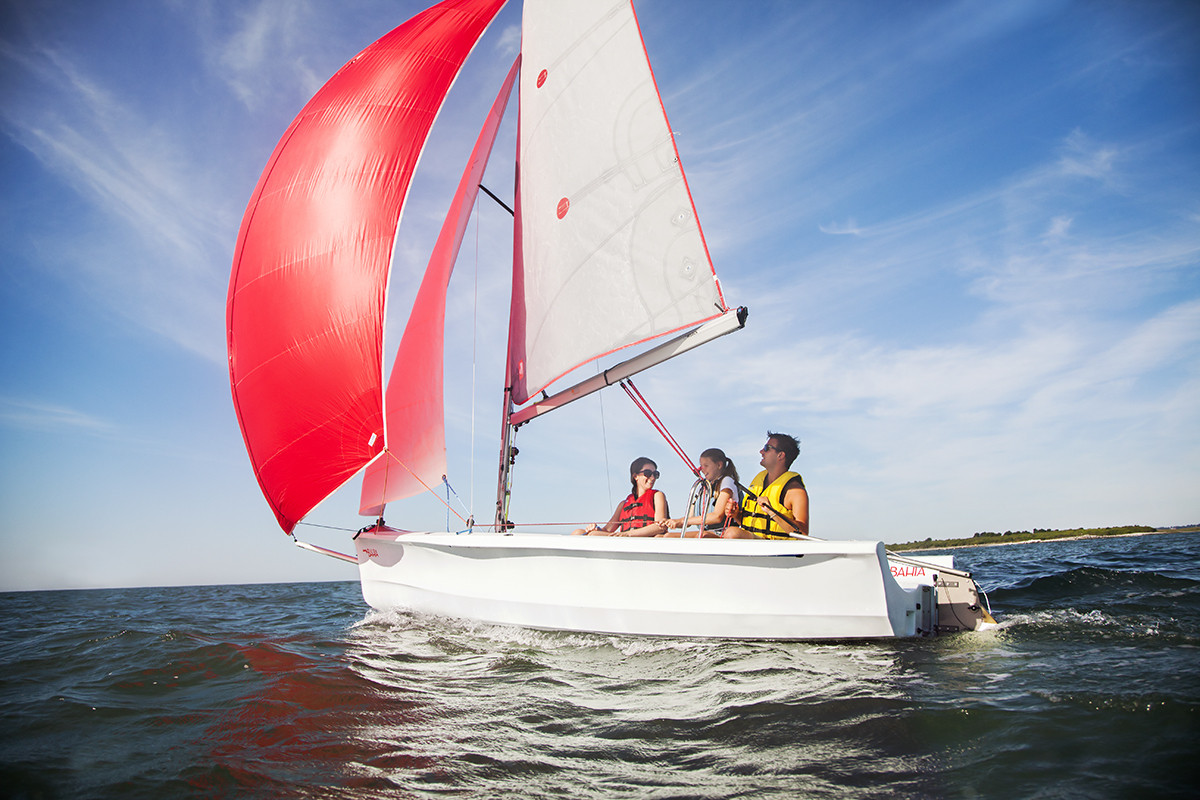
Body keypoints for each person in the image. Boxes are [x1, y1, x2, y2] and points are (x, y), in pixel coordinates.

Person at [723, 432, 809, 539]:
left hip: (776, 550)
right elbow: (748, 524)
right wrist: (736, 515)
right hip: (754, 544)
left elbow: (803, 533)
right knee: (700, 535)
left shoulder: (795, 491)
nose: (761, 451)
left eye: (767, 448)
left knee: (732, 533)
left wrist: (772, 512)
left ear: (780, 455)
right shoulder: (759, 481)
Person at [573, 457, 669, 537]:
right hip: (624, 540)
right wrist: (595, 528)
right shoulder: (623, 504)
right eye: (648, 473)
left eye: (655, 474)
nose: (652, 478)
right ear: (635, 476)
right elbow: (607, 529)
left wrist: (628, 534)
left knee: (593, 535)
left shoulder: (657, 496)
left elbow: (660, 526)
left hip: (643, 541)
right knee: (578, 532)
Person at [664, 448, 741, 537]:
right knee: (665, 536)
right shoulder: (702, 486)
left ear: (719, 465)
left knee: (702, 536)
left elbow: (717, 516)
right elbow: (689, 519)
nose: (702, 469)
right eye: (701, 465)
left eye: (706, 465)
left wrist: (682, 521)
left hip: (723, 533)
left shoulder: (727, 481)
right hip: (705, 532)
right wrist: (671, 522)